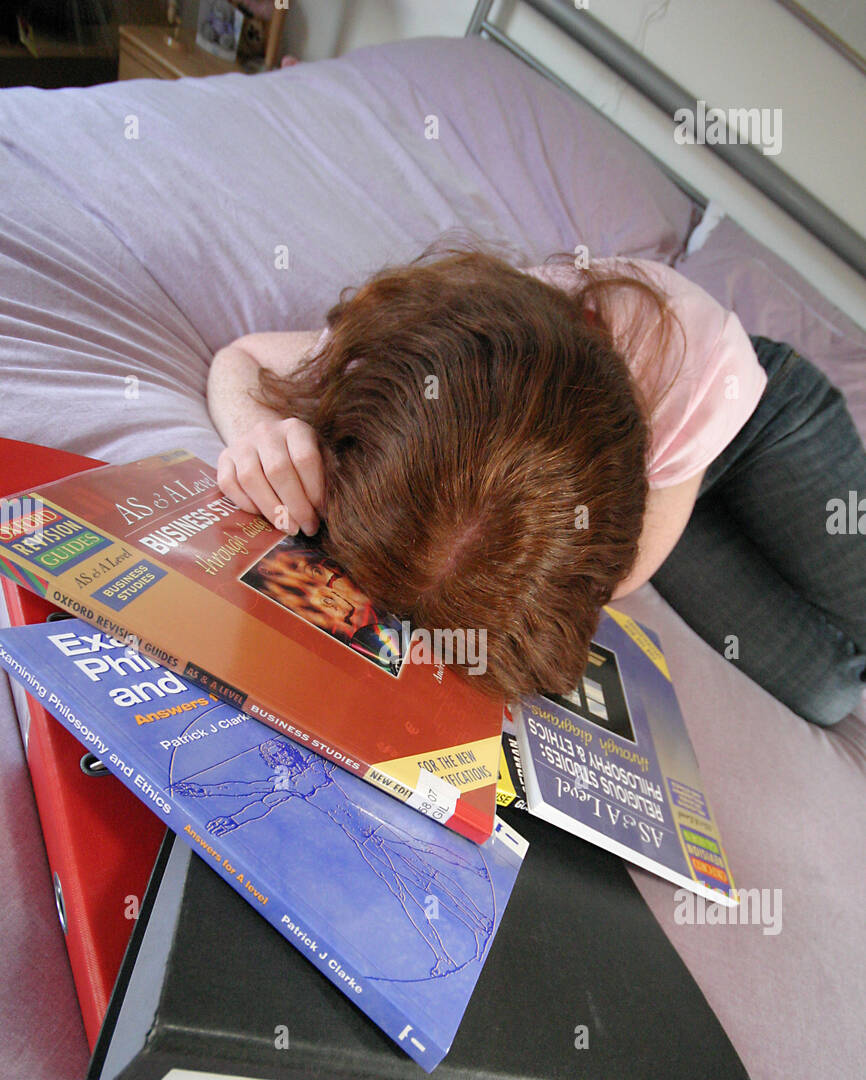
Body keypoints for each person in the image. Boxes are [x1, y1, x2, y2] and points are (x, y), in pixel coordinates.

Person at [206, 237, 866, 726]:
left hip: (760, 417)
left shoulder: (678, 353)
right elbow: (242, 360)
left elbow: (611, 576)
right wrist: (258, 433)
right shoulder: (412, 366)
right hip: (639, 471)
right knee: (830, 691)